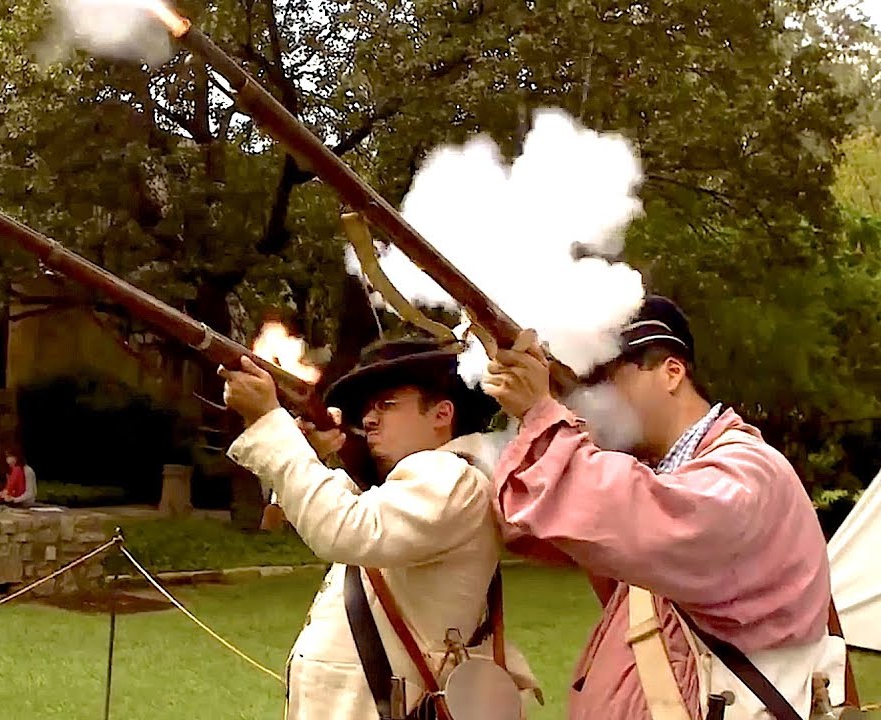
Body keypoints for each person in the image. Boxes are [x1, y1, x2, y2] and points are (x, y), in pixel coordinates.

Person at [482, 296, 850, 720]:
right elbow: (529, 526)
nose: (588, 403)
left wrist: (541, 418)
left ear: (671, 372)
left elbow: (634, 512)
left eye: (605, 380)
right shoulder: (664, 476)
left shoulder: (748, 473)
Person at [219, 338, 539, 720]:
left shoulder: (451, 475)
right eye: (369, 409)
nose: (369, 420)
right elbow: (350, 512)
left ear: (441, 414)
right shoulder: (424, 485)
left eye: (386, 405)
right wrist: (312, 455)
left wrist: (270, 421)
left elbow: (346, 528)